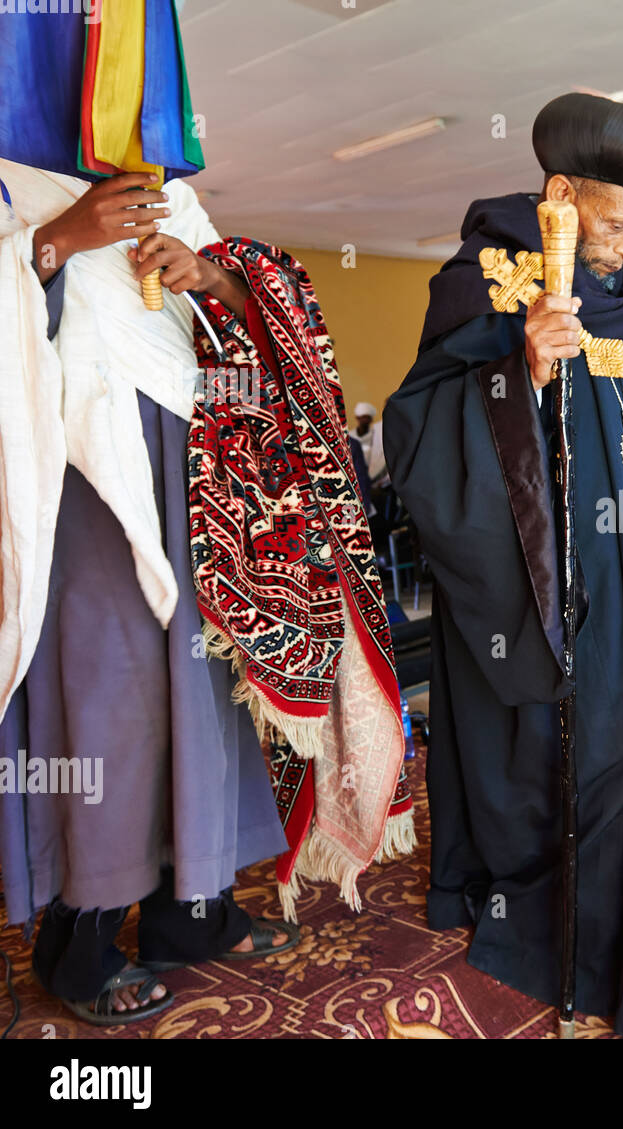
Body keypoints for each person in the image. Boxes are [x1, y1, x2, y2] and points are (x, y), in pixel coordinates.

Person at [382, 92, 623, 1039]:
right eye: (618, 221)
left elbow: (622, 410)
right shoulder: (484, 280)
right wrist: (519, 374)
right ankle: (598, 947)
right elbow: (418, 428)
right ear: (560, 191)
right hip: (552, 576)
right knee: (596, 750)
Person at [0, 162, 305, 1023]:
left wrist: (204, 273)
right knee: (105, 705)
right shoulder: (9, 176)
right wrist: (57, 244)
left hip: (192, 464)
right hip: (76, 472)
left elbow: (250, 321)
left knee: (200, 693)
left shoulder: (162, 179)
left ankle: (189, 912)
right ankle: (80, 941)